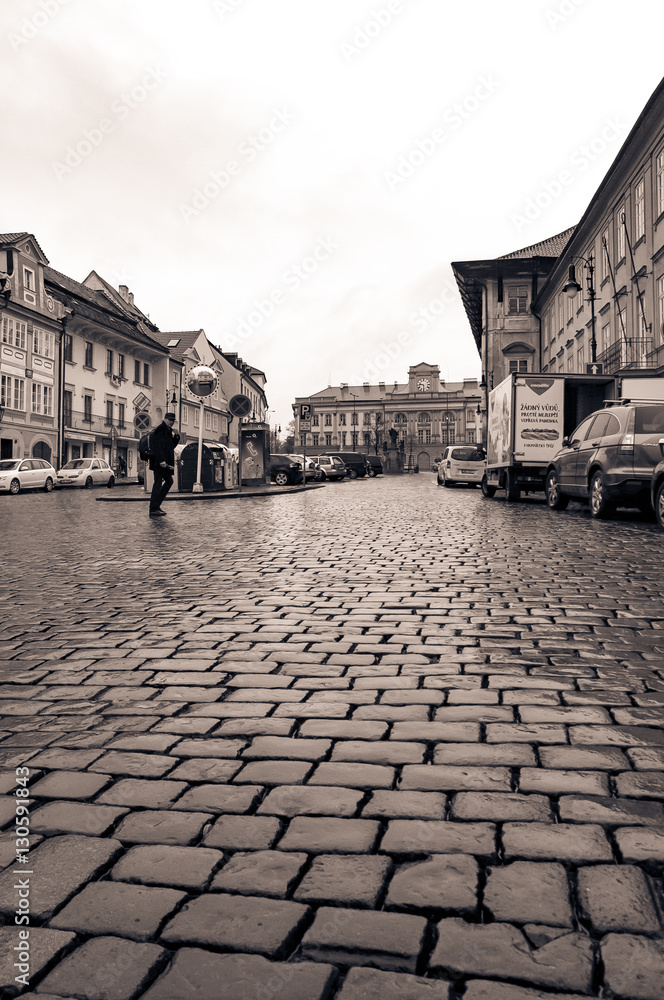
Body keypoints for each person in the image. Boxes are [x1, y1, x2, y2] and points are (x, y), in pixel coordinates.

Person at [148, 413, 180, 516]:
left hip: (164, 462)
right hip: (159, 462)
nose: (171, 422)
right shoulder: (160, 429)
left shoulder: (168, 430)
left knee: (168, 481)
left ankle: (156, 506)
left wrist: (176, 438)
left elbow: (170, 447)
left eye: (173, 420)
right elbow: (156, 446)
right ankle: (153, 507)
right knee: (158, 483)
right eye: (170, 419)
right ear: (165, 419)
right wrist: (161, 461)